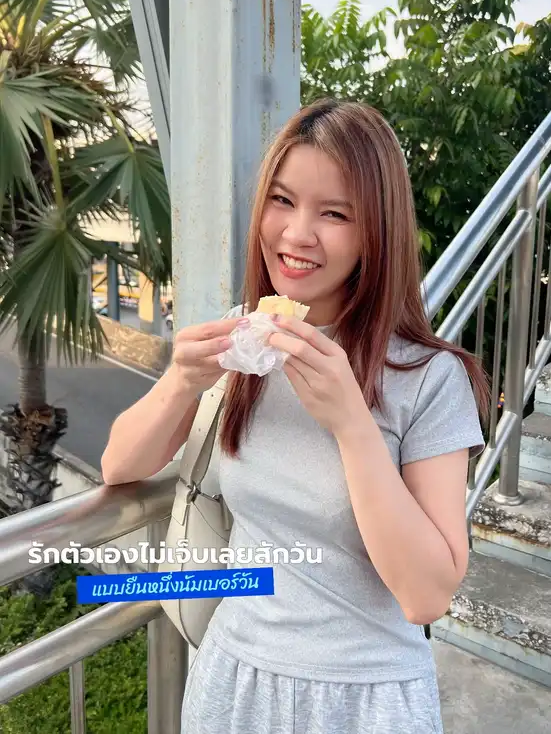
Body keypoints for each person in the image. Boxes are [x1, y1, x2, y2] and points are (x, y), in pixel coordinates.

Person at [101, 99, 489, 734]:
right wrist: (181, 380)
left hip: (366, 698)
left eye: (335, 213)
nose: (297, 233)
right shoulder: (248, 341)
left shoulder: (428, 377)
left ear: (377, 230)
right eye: (282, 200)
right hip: (233, 677)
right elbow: (119, 466)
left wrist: (352, 424)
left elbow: (427, 596)